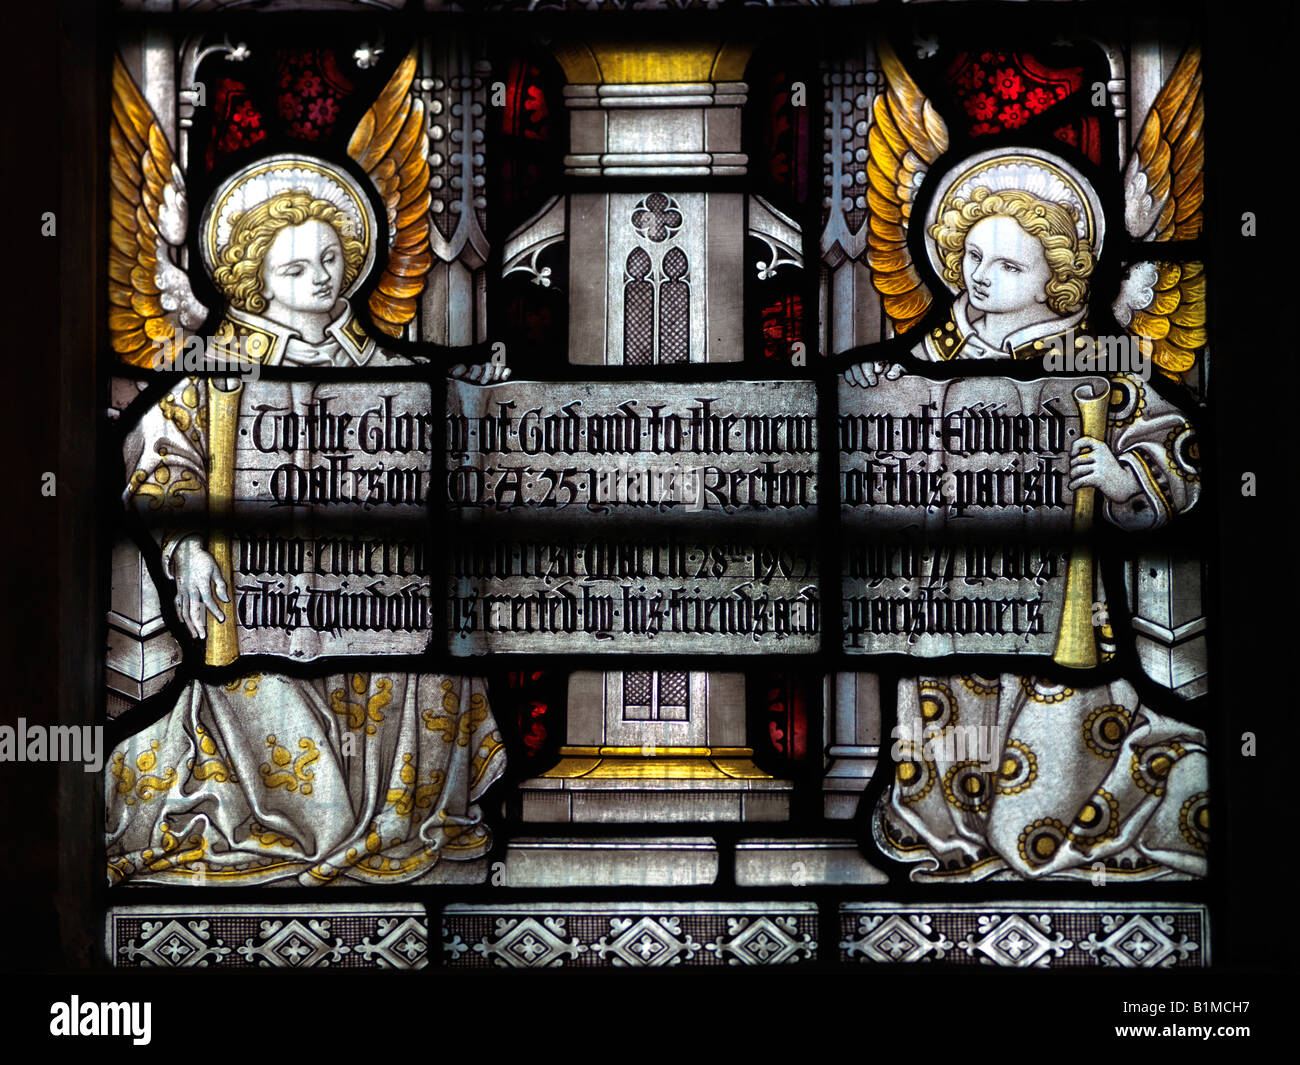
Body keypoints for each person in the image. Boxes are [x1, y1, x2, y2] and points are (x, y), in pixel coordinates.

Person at [108, 185, 508, 887]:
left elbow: (437, 419)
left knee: (433, 662)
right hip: (261, 606)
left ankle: (404, 824)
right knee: (267, 707)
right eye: (295, 269)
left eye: (329, 259)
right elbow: (165, 463)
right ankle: (310, 834)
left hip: (374, 597)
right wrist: (187, 548)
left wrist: (470, 385)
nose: (320, 278)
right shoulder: (217, 370)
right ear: (256, 278)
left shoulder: (384, 365)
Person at [846, 173, 1207, 882]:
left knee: (1056, 723)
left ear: (1060, 278)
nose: (982, 277)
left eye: (1010, 265)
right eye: (974, 257)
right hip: (956, 592)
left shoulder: (1097, 361)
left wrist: (1120, 475)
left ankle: (1042, 833)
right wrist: (876, 397)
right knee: (944, 716)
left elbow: (1173, 443)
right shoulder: (929, 357)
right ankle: (950, 833)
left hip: (1059, 596)